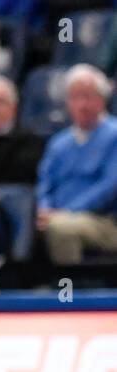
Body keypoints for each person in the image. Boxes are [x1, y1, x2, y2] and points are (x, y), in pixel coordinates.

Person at [36, 65, 117, 265]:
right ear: (68, 102)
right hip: (56, 216)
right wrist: (45, 209)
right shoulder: (58, 142)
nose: (83, 104)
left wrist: (67, 212)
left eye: (89, 96)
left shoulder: (114, 135)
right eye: (76, 97)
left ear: (102, 100)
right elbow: (45, 182)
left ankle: (70, 287)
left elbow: (109, 187)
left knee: (61, 228)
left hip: (105, 221)